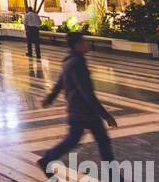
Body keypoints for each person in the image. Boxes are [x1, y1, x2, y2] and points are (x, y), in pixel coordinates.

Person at [37, 30, 119, 171]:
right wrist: (105, 115)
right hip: (84, 111)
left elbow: (60, 82)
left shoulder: (70, 61)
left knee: (80, 140)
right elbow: (87, 93)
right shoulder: (77, 64)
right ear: (77, 45)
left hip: (78, 110)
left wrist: (50, 98)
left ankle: (47, 159)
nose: (87, 44)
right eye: (83, 42)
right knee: (97, 141)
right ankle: (47, 159)